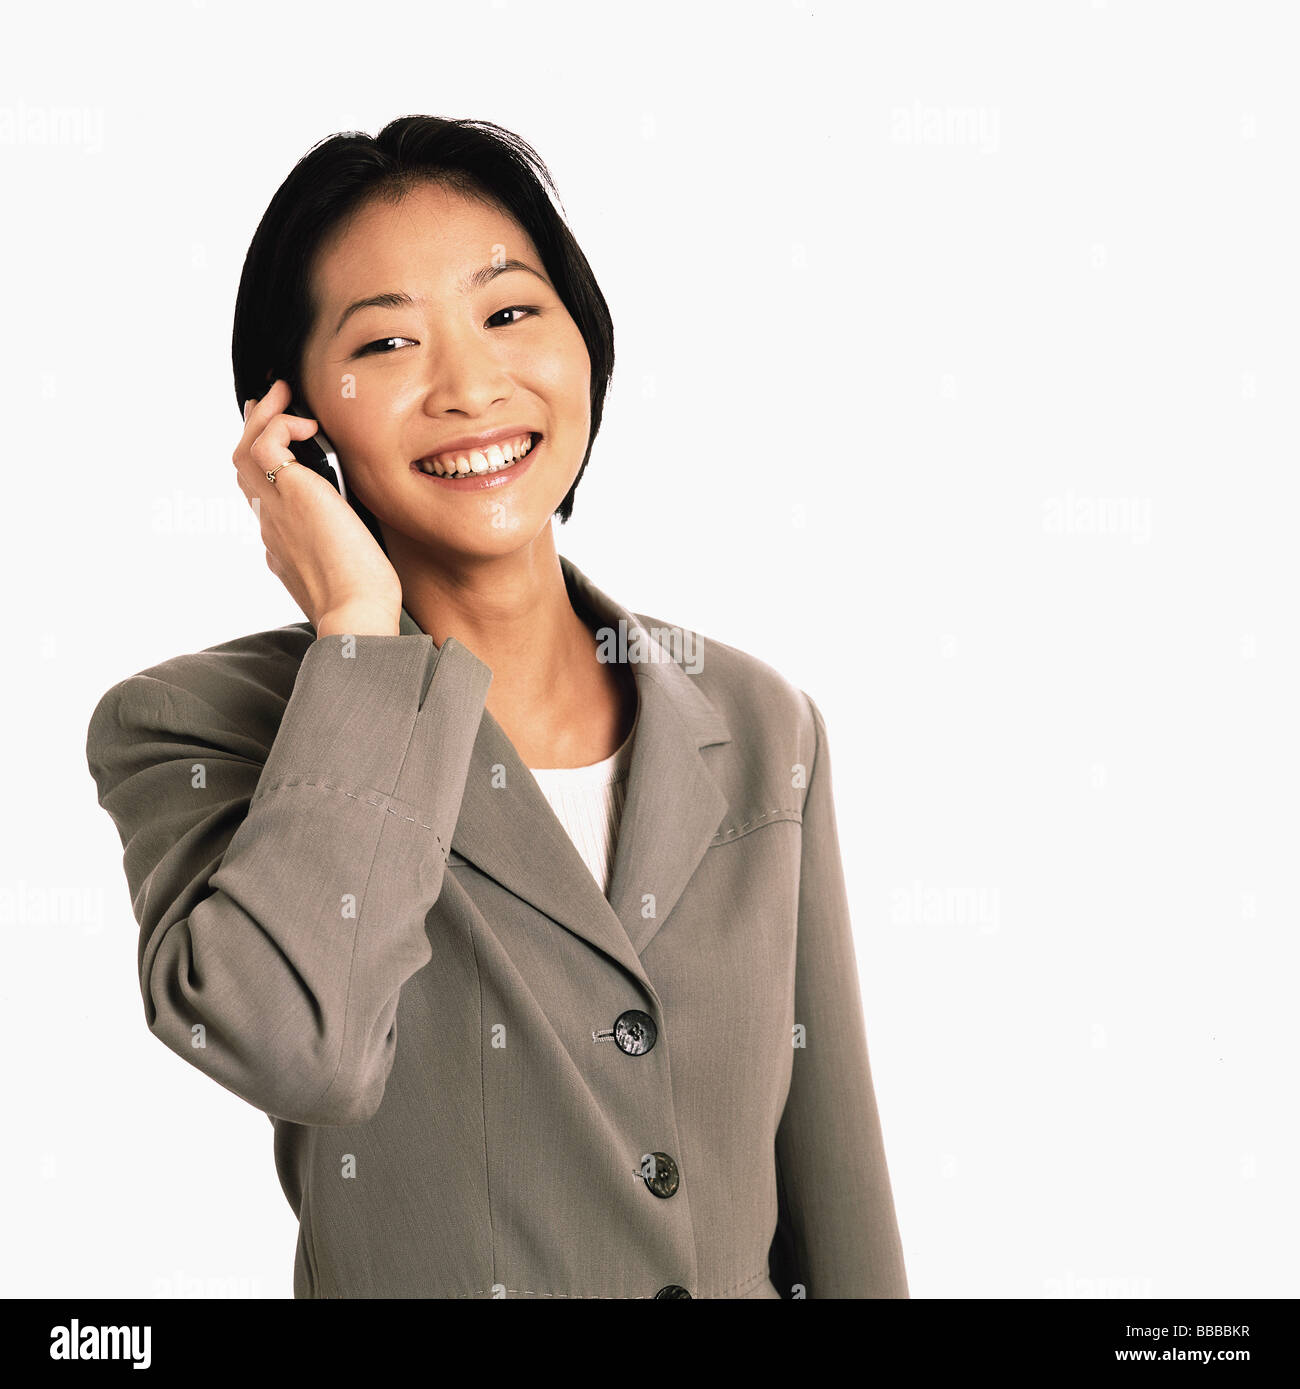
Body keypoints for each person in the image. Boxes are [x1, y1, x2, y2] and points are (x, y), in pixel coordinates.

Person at [84, 115, 908, 1299]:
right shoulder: (193, 725)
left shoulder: (758, 720)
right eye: (387, 341)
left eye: (510, 313)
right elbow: (295, 1047)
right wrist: (358, 637)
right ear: (294, 422)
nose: (471, 387)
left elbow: (840, 1203)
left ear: (586, 341)